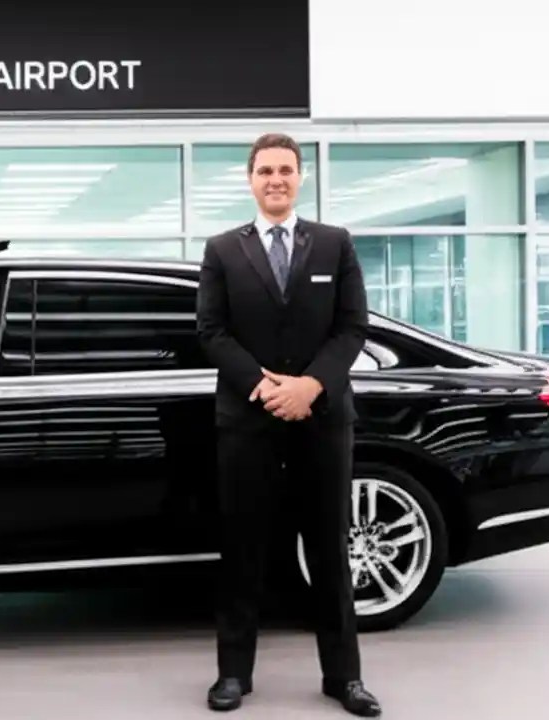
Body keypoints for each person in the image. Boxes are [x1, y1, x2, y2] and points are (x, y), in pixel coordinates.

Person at [196, 133, 382, 717]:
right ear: (249, 180)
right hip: (247, 421)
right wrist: (266, 386)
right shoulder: (223, 249)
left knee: (329, 550)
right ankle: (233, 675)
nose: (275, 179)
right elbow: (211, 331)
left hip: (323, 420)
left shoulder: (334, 244)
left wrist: (311, 387)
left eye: (286, 170)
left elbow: (353, 327)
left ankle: (344, 678)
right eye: (265, 170)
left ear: (301, 178)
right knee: (242, 550)